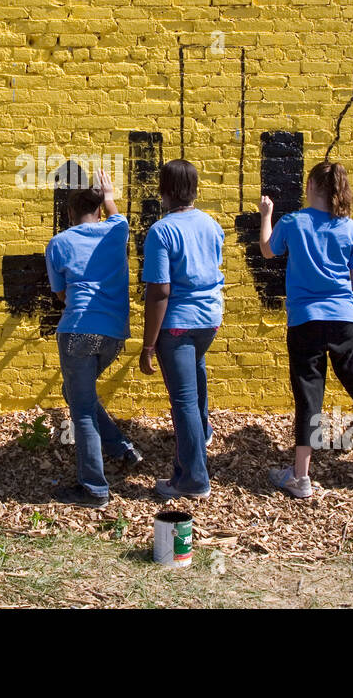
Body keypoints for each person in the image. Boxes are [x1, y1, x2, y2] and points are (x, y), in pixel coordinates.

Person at [258, 161, 353, 498]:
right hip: (345, 320)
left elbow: (267, 250)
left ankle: (301, 477)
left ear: (312, 185)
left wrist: (266, 214)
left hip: (305, 321)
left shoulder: (293, 222)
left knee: (308, 397)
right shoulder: (352, 229)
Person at [45, 169, 143, 508]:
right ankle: (121, 448)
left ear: (70, 215)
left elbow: (60, 296)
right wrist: (110, 195)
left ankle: (94, 489)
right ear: (99, 210)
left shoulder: (58, 243)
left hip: (77, 332)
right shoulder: (115, 232)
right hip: (114, 334)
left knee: (82, 409)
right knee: (74, 395)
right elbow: (118, 216)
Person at [139, 159, 225, 500]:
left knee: (184, 402)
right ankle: (201, 434)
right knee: (197, 375)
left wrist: (148, 346)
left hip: (178, 325)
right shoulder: (211, 224)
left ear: (164, 190)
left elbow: (160, 290)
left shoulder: (162, 231)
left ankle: (193, 479)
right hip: (209, 320)